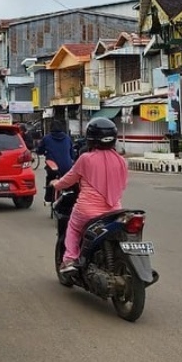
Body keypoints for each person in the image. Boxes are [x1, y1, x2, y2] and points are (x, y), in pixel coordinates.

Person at [52, 117, 129, 278]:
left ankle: (70, 259)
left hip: (88, 211)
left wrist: (56, 184)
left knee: (72, 227)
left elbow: (69, 179)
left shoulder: (86, 159)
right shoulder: (122, 161)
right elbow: (122, 185)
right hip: (114, 211)